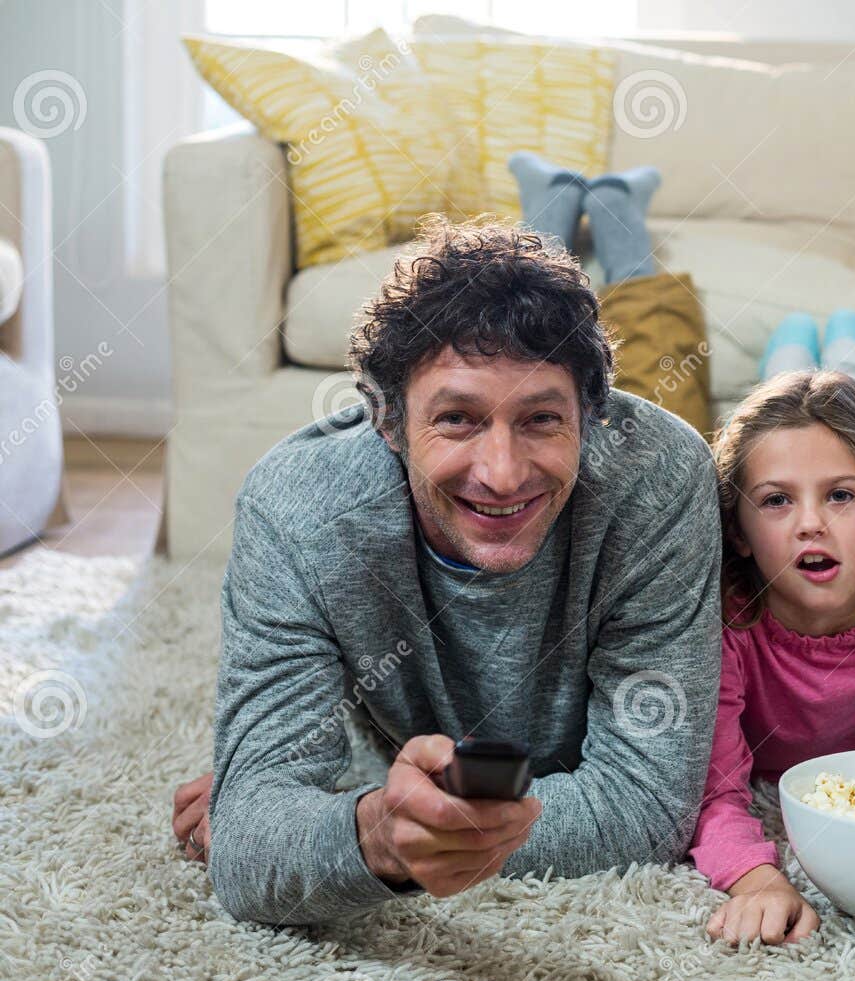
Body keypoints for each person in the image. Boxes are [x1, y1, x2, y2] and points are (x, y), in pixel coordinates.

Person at [170, 217, 721, 926]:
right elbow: (248, 854)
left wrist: (338, 828)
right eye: (457, 419)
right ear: (388, 421)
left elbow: (644, 806)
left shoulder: (661, 476)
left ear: (592, 414)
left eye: (542, 420)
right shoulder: (297, 508)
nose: (502, 473)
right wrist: (375, 832)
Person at [691, 371, 855, 945]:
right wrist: (757, 882)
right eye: (777, 500)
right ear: (738, 532)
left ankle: (846, 356)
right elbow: (715, 793)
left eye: (840, 495)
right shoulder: (726, 626)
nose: (812, 523)